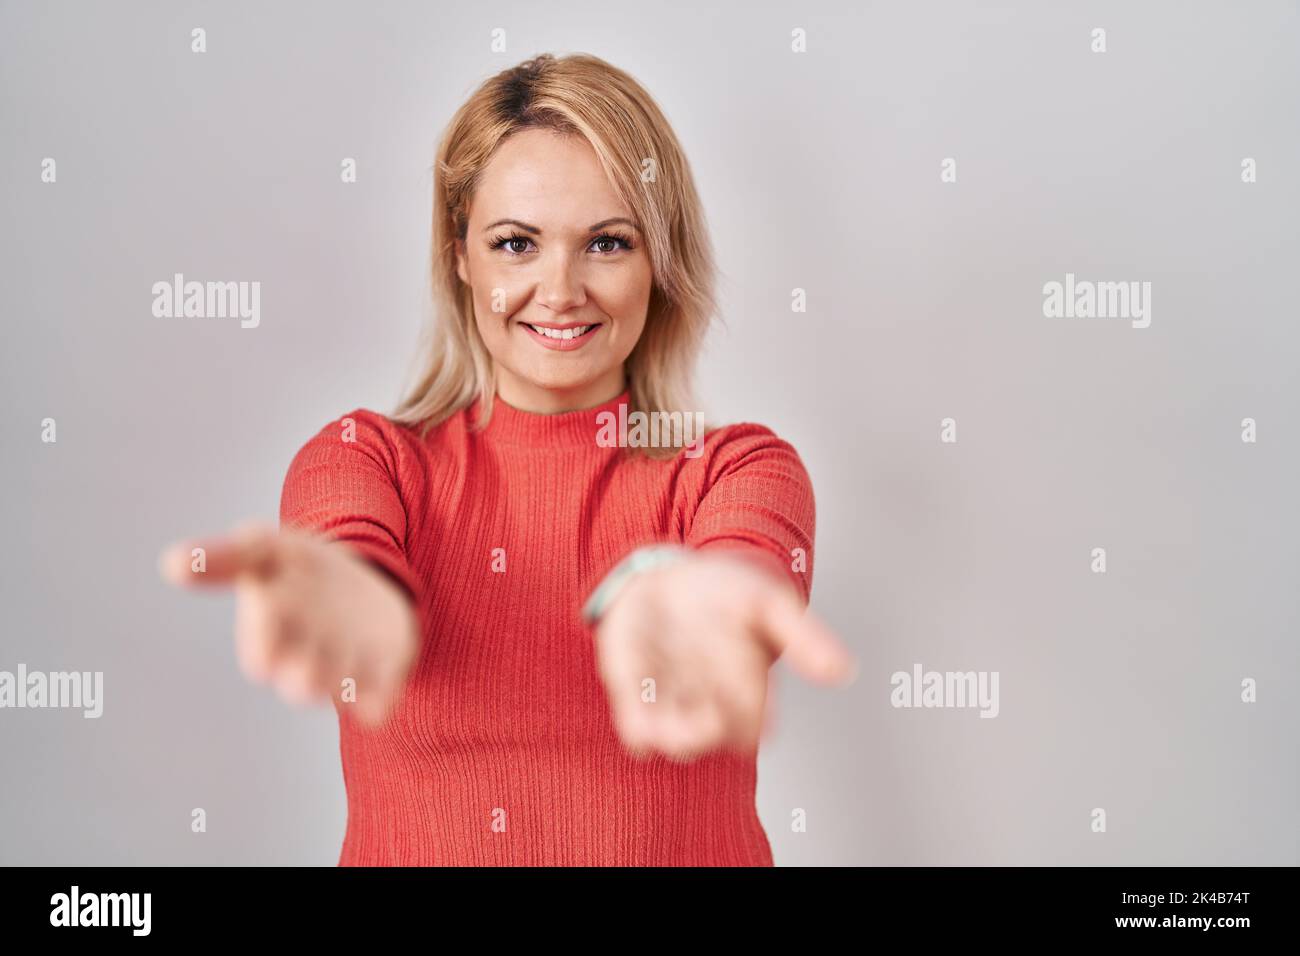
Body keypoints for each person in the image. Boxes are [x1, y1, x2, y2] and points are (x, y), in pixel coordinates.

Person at [160, 52, 855, 866]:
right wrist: (361, 588)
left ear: (659, 264)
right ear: (461, 255)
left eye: (607, 243)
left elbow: (745, 555)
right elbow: (347, 541)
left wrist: (679, 591)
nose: (559, 291)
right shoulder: (366, 460)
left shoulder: (736, 470)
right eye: (517, 243)